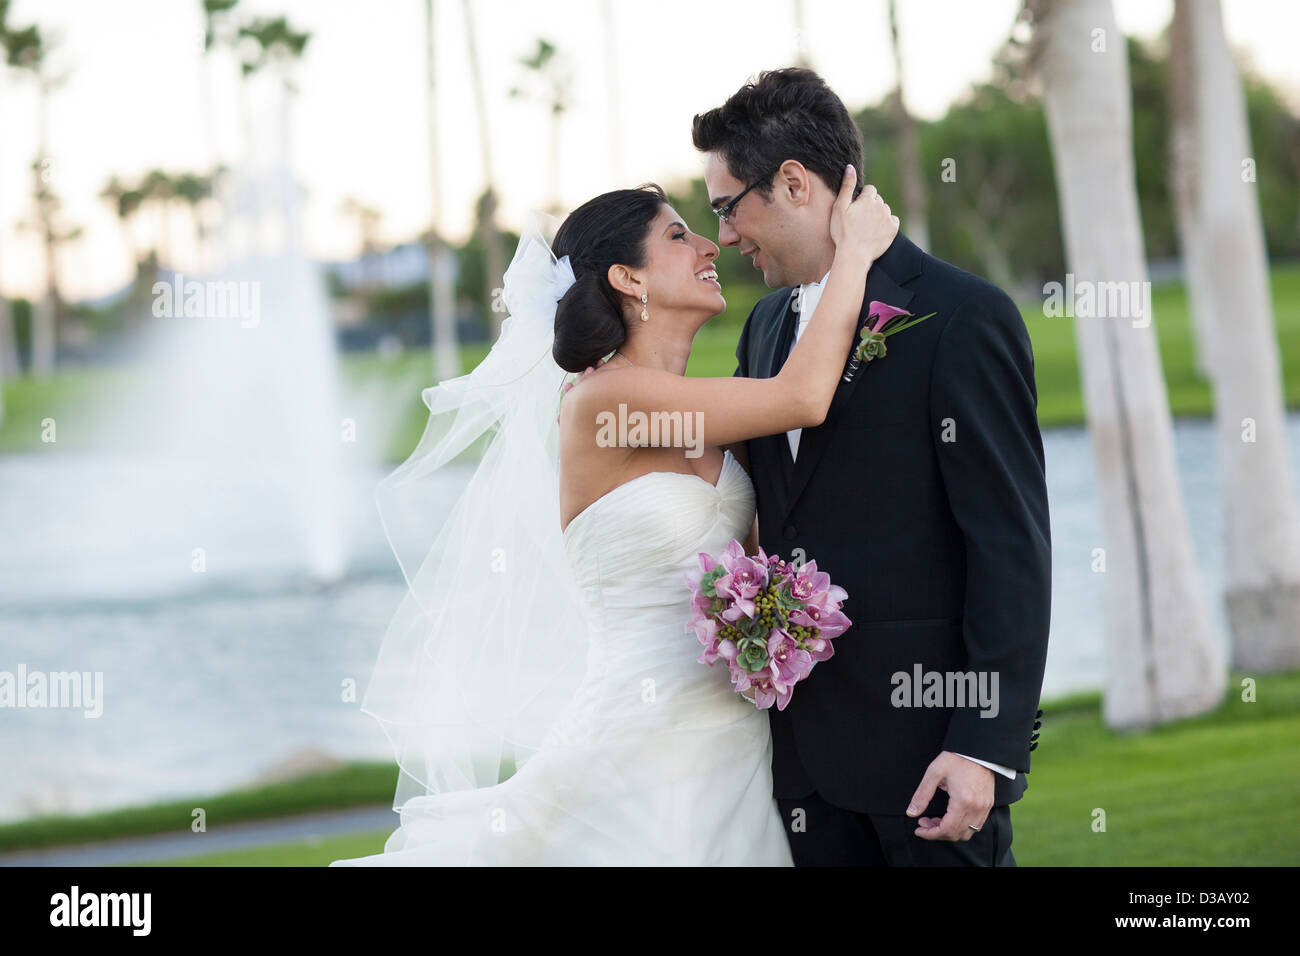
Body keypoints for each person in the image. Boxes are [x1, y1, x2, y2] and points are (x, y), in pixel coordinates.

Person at [330, 167, 899, 865]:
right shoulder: (602, 403)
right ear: (630, 279)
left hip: (733, 746)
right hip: (634, 744)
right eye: (678, 236)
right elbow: (804, 396)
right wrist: (856, 255)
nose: (710, 247)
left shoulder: (708, 411)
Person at [693, 67, 1051, 866]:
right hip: (802, 774)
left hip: (928, 763)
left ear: (792, 183)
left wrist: (984, 746)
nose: (724, 236)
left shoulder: (960, 317)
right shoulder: (764, 329)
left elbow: (1011, 548)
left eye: (728, 207)